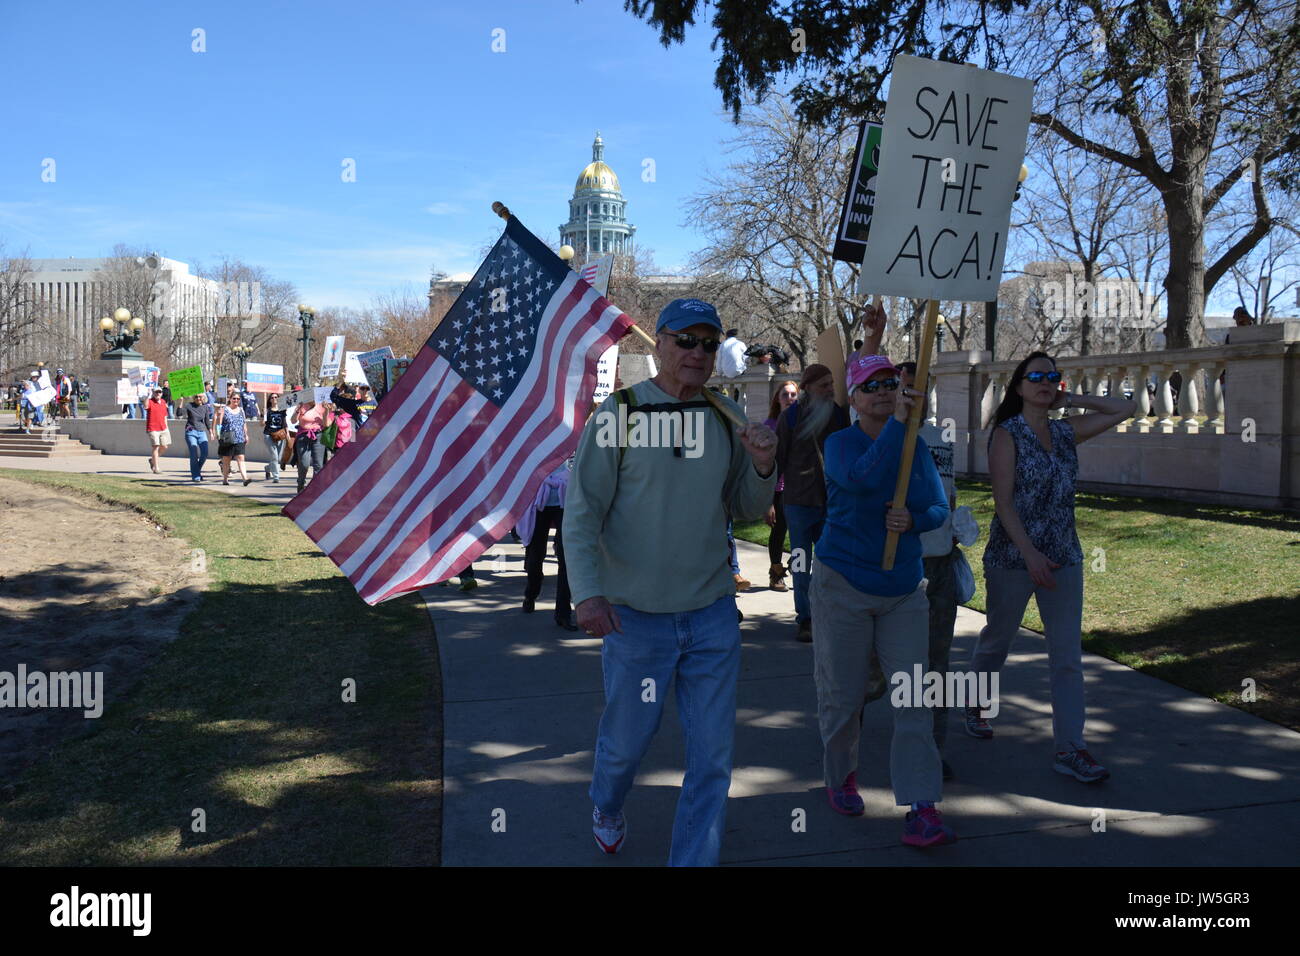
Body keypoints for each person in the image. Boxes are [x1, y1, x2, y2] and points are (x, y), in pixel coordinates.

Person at [564, 297, 777, 865]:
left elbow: (746, 510)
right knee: (625, 748)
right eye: (686, 340)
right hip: (635, 621)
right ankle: (606, 804)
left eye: (709, 343)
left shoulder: (724, 415)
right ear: (659, 343)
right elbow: (582, 512)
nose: (698, 353)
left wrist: (761, 464)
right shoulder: (620, 413)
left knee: (712, 760)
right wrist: (587, 593)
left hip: (710, 614)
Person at [969, 351, 1136, 783]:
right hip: (1013, 557)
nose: (1045, 382)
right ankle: (977, 703)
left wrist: (1072, 398)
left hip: (1064, 556)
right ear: (1019, 387)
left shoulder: (1065, 433)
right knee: (997, 640)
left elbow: (1127, 408)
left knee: (1066, 656)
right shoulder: (1007, 434)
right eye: (1035, 377)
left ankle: (1070, 747)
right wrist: (1029, 554)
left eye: (1052, 377)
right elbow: (1003, 502)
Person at [811, 354, 955, 846]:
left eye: (891, 383)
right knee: (845, 696)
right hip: (843, 586)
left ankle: (921, 804)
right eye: (870, 385)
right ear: (852, 397)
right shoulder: (838, 443)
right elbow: (862, 479)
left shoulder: (915, 446)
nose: (883, 391)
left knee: (914, 698)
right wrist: (897, 426)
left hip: (903, 591)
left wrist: (914, 521)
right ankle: (841, 775)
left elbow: (938, 506)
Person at [864, 361, 963, 781]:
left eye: (921, 387)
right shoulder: (875, 436)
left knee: (935, 666)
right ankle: (843, 740)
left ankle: (929, 753)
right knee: (870, 670)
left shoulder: (942, 436)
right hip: (888, 567)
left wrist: (955, 527)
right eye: (905, 387)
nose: (912, 395)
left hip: (937, 565)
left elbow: (948, 492)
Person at [775, 363, 849, 642]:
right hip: (798, 502)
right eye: (824, 386)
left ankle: (831, 615)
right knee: (801, 564)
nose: (830, 390)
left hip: (832, 502)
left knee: (832, 563)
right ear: (807, 388)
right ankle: (805, 619)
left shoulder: (839, 415)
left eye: (831, 384)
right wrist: (770, 500)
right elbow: (778, 459)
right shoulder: (790, 418)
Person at [519, 460, 576, 630]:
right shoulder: (537, 436)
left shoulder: (567, 435)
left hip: (563, 501)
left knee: (566, 558)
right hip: (539, 502)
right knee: (536, 557)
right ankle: (531, 594)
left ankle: (563, 614)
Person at [764, 380, 799, 591]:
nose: (790, 399)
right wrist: (767, 501)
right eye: (785, 395)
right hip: (778, 489)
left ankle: (800, 569)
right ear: (777, 399)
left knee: (801, 532)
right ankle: (775, 573)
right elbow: (765, 465)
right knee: (779, 531)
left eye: (794, 395)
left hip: (801, 488)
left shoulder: (804, 423)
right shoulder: (770, 426)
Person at [291, 399, 334, 493]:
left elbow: (327, 424)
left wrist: (326, 411)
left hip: (318, 436)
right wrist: (297, 410)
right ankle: (301, 482)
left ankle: (316, 489)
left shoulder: (324, 406)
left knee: (318, 465)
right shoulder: (302, 405)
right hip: (303, 437)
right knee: (304, 464)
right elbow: (293, 421)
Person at [213, 391, 253, 486]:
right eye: (234, 398)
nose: (236, 400)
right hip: (227, 438)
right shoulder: (224, 409)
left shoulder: (241, 410)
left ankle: (245, 478)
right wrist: (218, 434)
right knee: (227, 460)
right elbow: (219, 422)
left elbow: (244, 424)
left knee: (241, 458)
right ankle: (225, 479)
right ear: (230, 399)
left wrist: (246, 435)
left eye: (238, 399)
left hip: (239, 438)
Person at [183, 393, 215, 482]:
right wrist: (181, 403)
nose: (198, 398)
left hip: (201, 432)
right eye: (196, 396)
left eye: (200, 396)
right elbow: (179, 413)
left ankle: (196, 471)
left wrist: (211, 432)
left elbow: (207, 421)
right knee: (194, 452)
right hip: (190, 431)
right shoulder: (189, 405)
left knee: (205, 453)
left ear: (203, 397)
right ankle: (196, 475)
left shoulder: (205, 407)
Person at [144, 387, 171, 474]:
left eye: (159, 392)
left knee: (165, 446)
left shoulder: (163, 402)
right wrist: (147, 396)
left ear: (162, 393)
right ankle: (156, 468)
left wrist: (166, 427)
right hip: (153, 428)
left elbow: (165, 416)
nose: (158, 394)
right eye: (156, 392)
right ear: (153, 393)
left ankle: (152, 460)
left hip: (163, 428)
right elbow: (145, 406)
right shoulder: (150, 401)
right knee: (156, 447)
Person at [262, 394, 288, 483]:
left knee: (278, 458)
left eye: (276, 397)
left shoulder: (282, 410)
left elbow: (284, 423)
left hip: (280, 435)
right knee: (274, 457)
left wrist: (287, 434)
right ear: (270, 400)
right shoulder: (267, 411)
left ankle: (268, 468)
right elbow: (262, 424)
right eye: (272, 398)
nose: (274, 399)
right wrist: (264, 415)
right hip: (269, 435)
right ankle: (276, 477)